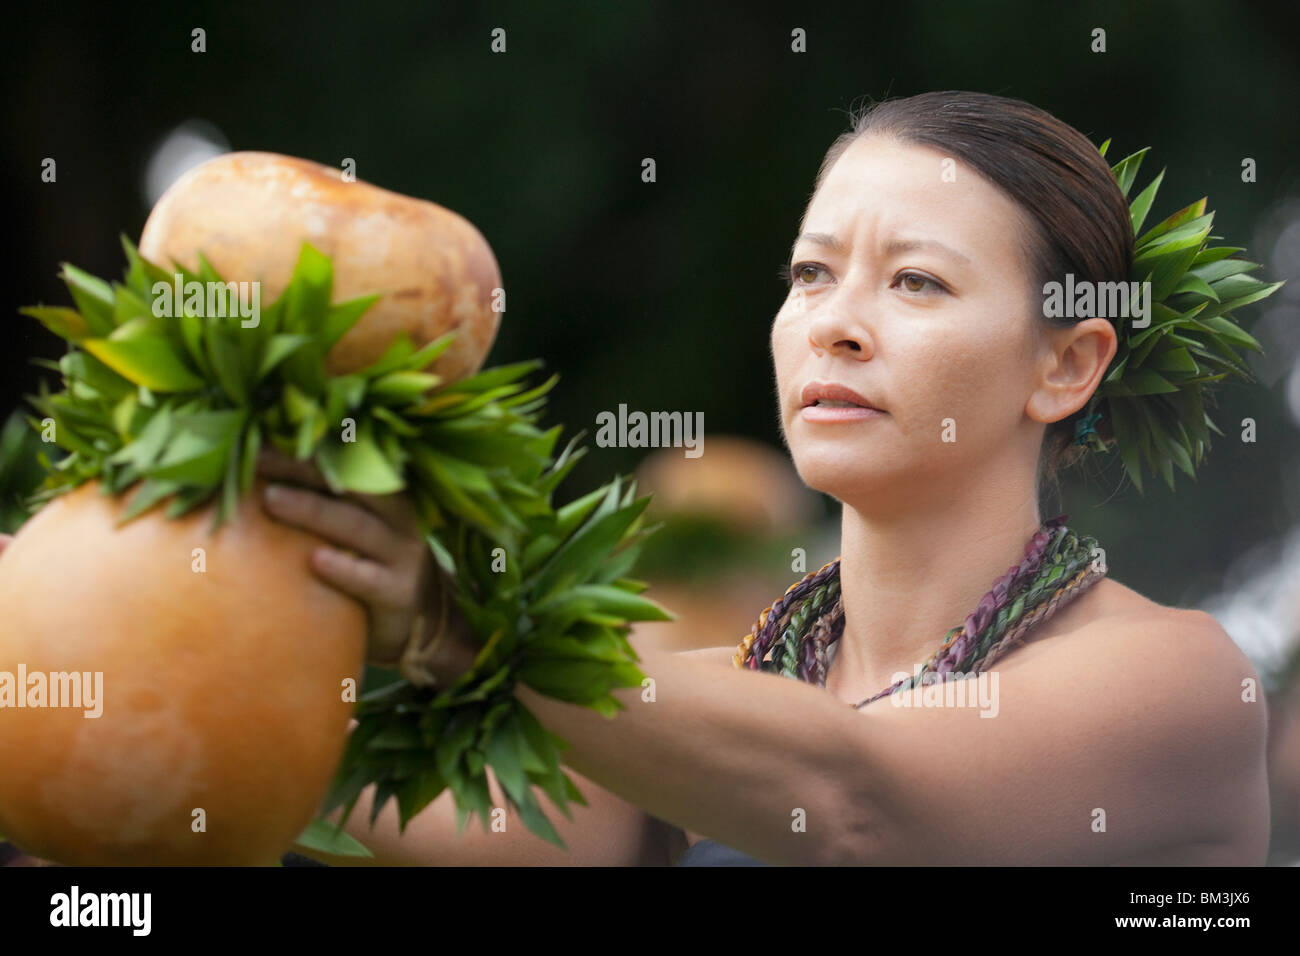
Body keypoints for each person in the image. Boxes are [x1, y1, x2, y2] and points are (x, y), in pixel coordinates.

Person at [0, 90, 1272, 866]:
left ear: (1065, 362)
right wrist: (153, 647)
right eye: (810, 273)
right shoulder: (698, 706)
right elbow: (380, 812)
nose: (831, 321)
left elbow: (853, 798)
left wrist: (465, 623)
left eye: (916, 281)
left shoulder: (1178, 683)